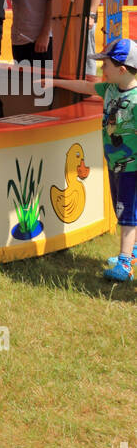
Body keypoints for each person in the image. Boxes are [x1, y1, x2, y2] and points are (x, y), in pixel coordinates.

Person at [57, 38, 137, 282]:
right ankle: (132, 254)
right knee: (122, 210)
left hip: (132, 168)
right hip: (115, 166)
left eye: (105, 64)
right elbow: (85, 86)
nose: (102, 68)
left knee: (128, 216)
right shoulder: (110, 89)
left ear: (122, 69)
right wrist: (54, 82)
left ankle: (124, 264)